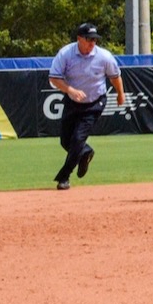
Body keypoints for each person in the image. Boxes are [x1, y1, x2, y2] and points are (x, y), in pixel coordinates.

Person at [47, 22, 126, 190]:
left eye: (95, 40)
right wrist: (70, 90)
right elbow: (53, 78)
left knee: (77, 139)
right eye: (89, 39)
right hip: (72, 101)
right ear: (79, 39)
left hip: (94, 102)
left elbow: (115, 76)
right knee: (65, 141)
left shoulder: (104, 56)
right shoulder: (66, 54)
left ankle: (64, 177)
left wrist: (120, 93)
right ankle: (85, 152)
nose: (92, 43)